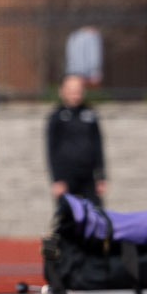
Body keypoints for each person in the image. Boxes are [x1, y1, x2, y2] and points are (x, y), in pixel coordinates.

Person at [47, 73, 107, 205]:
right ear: (62, 91)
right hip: (66, 176)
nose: (75, 94)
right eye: (71, 90)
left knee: (96, 215)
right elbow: (52, 150)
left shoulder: (90, 115)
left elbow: (98, 145)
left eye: (78, 90)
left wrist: (101, 176)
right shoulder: (57, 117)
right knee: (68, 218)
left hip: (88, 176)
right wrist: (57, 179)